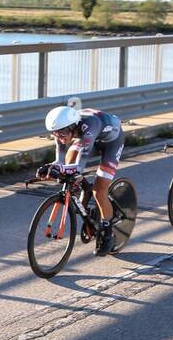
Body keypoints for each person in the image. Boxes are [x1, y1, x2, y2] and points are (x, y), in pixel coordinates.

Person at [37, 105, 125, 256]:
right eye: (55, 134)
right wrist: (51, 166)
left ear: (73, 126)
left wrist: (65, 170)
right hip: (88, 138)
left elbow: (79, 166)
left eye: (63, 133)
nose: (60, 137)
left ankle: (108, 233)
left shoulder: (88, 127)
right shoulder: (62, 129)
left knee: (99, 191)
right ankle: (79, 187)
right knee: (68, 160)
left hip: (111, 142)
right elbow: (60, 160)